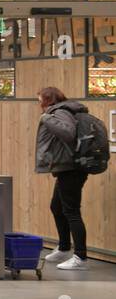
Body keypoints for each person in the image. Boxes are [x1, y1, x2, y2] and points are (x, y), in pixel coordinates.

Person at [35, 87, 90, 271]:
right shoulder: (64, 110)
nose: (39, 103)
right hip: (68, 166)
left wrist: (46, 118)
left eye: (40, 99)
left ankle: (80, 257)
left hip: (71, 168)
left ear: (48, 99)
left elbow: (68, 133)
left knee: (71, 211)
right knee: (57, 206)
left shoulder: (60, 112)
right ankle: (65, 247)